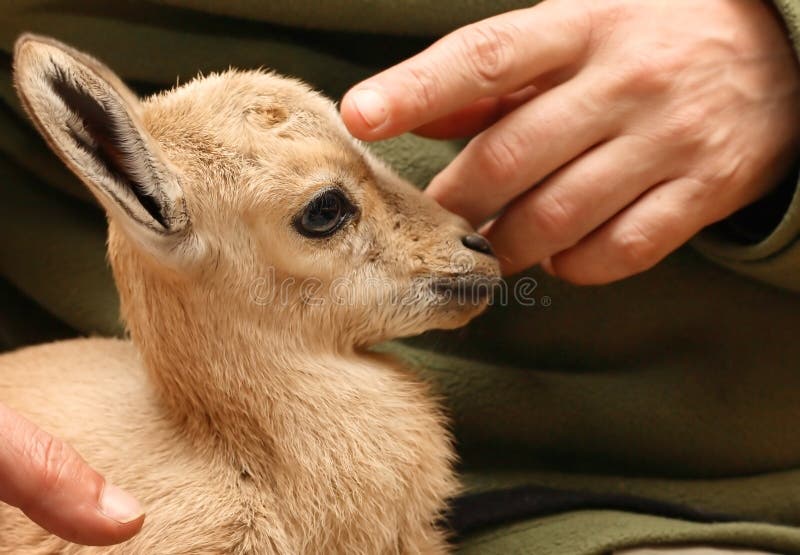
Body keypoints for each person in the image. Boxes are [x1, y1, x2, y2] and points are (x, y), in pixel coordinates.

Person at [0, 0, 799, 551]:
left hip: (709, 498)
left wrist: (778, 36)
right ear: (143, 201)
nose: (453, 234)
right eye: (325, 214)